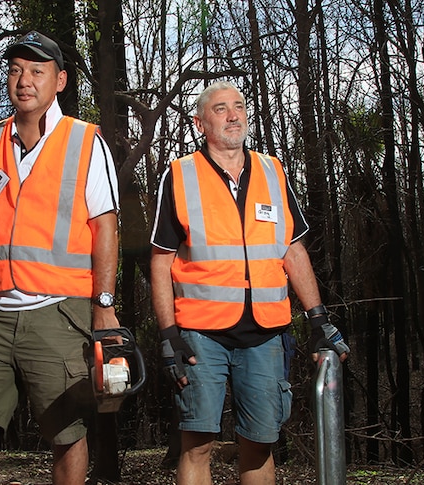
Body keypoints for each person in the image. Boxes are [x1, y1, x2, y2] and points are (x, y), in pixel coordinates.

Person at [0, 30, 120, 485]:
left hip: (59, 312)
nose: (24, 80)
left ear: (59, 81)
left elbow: (105, 229)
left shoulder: (85, 142)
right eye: (16, 70)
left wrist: (104, 305)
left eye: (37, 71)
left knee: (66, 434)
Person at [150, 81, 350, 485]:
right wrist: (169, 333)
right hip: (200, 336)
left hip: (265, 334)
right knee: (198, 443)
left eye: (239, 106)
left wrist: (318, 319)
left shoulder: (273, 172)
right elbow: (160, 260)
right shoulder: (180, 176)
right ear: (199, 123)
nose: (233, 115)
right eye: (221, 108)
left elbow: (293, 251)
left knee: (259, 444)